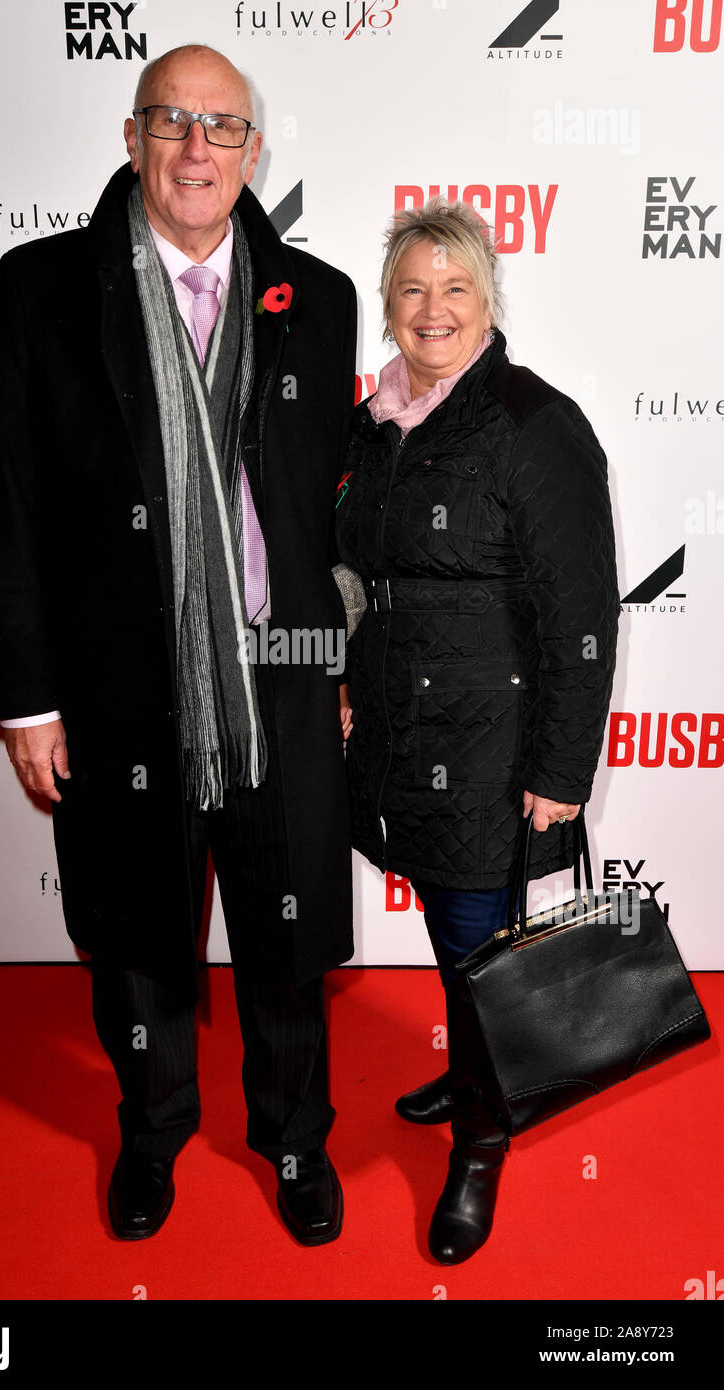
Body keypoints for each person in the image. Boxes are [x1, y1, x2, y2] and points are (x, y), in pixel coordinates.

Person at [0, 44, 358, 1246]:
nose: (197, 150)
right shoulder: (39, 287)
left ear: (254, 151)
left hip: (274, 686)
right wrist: (25, 694)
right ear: (133, 137)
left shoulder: (320, 294)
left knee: (284, 936)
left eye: (221, 128)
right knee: (137, 939)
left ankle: (294, 1137)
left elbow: (325, 509)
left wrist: (329, 658)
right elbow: (11, 494)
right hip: (119, 686)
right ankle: (153, 1132)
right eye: (171, 122)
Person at [335, 198, 619, 1263]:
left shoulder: (533, 423)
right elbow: (360, 575)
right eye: (411, 287)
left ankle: (480, 1141)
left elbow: (581, 612)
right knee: (458, 943)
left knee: (477, 959)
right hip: (400, 742)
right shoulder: (374, 422)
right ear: (388, 306)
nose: (432, 307)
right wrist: (345, 684)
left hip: (493, 752)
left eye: (454, 286)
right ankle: (469, 1077)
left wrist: (559, 768)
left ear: (491, 298)